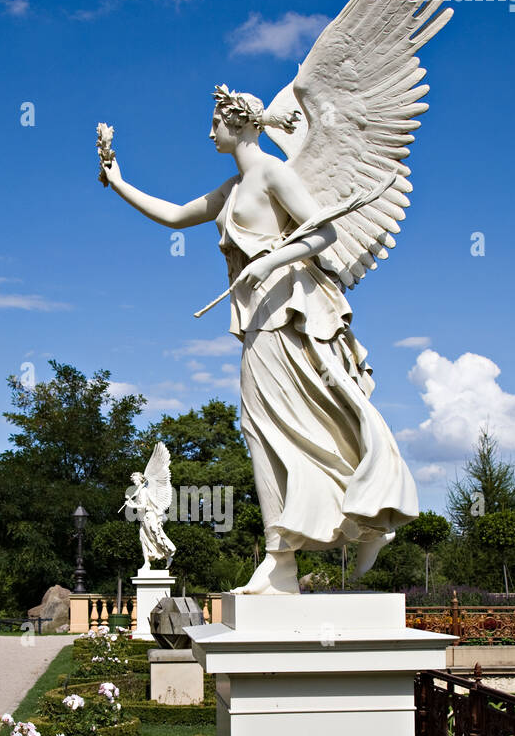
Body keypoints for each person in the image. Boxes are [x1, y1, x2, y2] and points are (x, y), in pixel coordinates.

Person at [101, 85, 417, 595]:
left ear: (241, 122)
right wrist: (118, 181)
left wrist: (268, 260)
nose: (210, 133)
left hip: (286, 313)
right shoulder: (231, 189)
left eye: (216, 123)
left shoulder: (273, 173)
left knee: (311, 417)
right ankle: (283, 560)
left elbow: (322, 233)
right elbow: (175, 216)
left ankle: (370, 516)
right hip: (256, 323)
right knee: (261, 429)